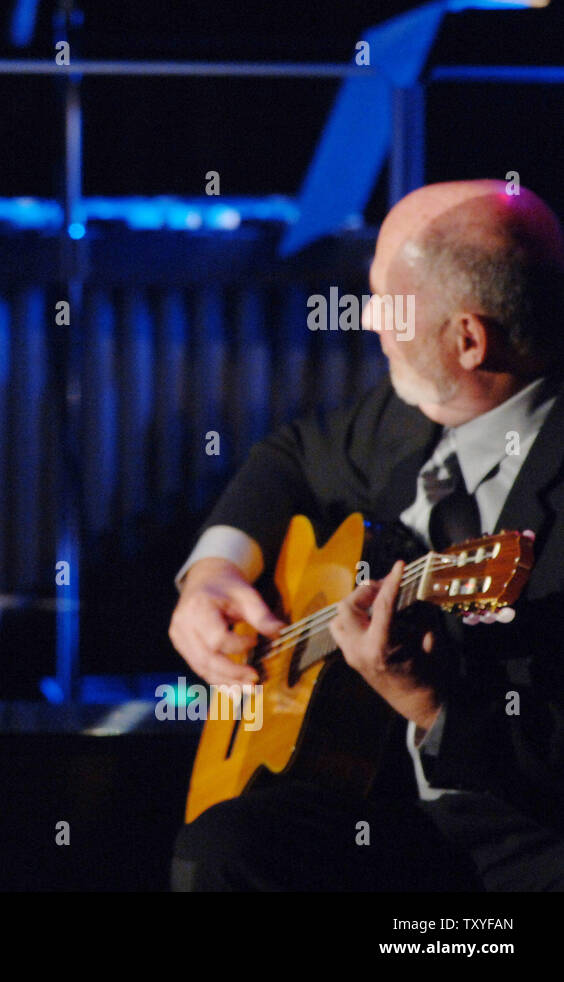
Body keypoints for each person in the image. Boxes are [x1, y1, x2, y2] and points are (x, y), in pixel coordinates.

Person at [168, 179, 564, 891]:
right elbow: (288, 457)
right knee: (217, 847)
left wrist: (433, 706)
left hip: (525, 842)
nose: (370, 322)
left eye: (386, 302)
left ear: (468, 339)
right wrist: (212, 573)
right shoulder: (416, 410)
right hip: (383, 805)